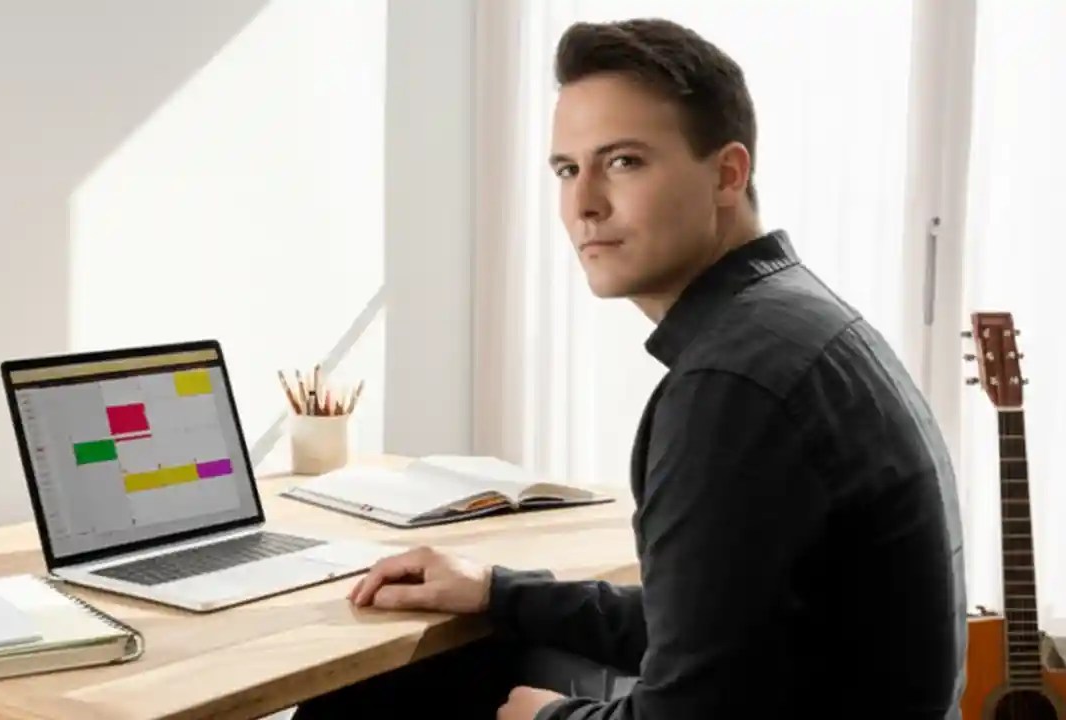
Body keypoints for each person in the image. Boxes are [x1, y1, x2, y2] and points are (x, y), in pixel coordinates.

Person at [295, 17, 966, 720]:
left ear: (727, 175)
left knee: (369, 704)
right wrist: (498, 591)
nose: (583, 204)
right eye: (566, 169)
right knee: (451, 666)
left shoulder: (732, 386)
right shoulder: (794, 318)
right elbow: (716, 625)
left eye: (623, 162)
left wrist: (546, 719)